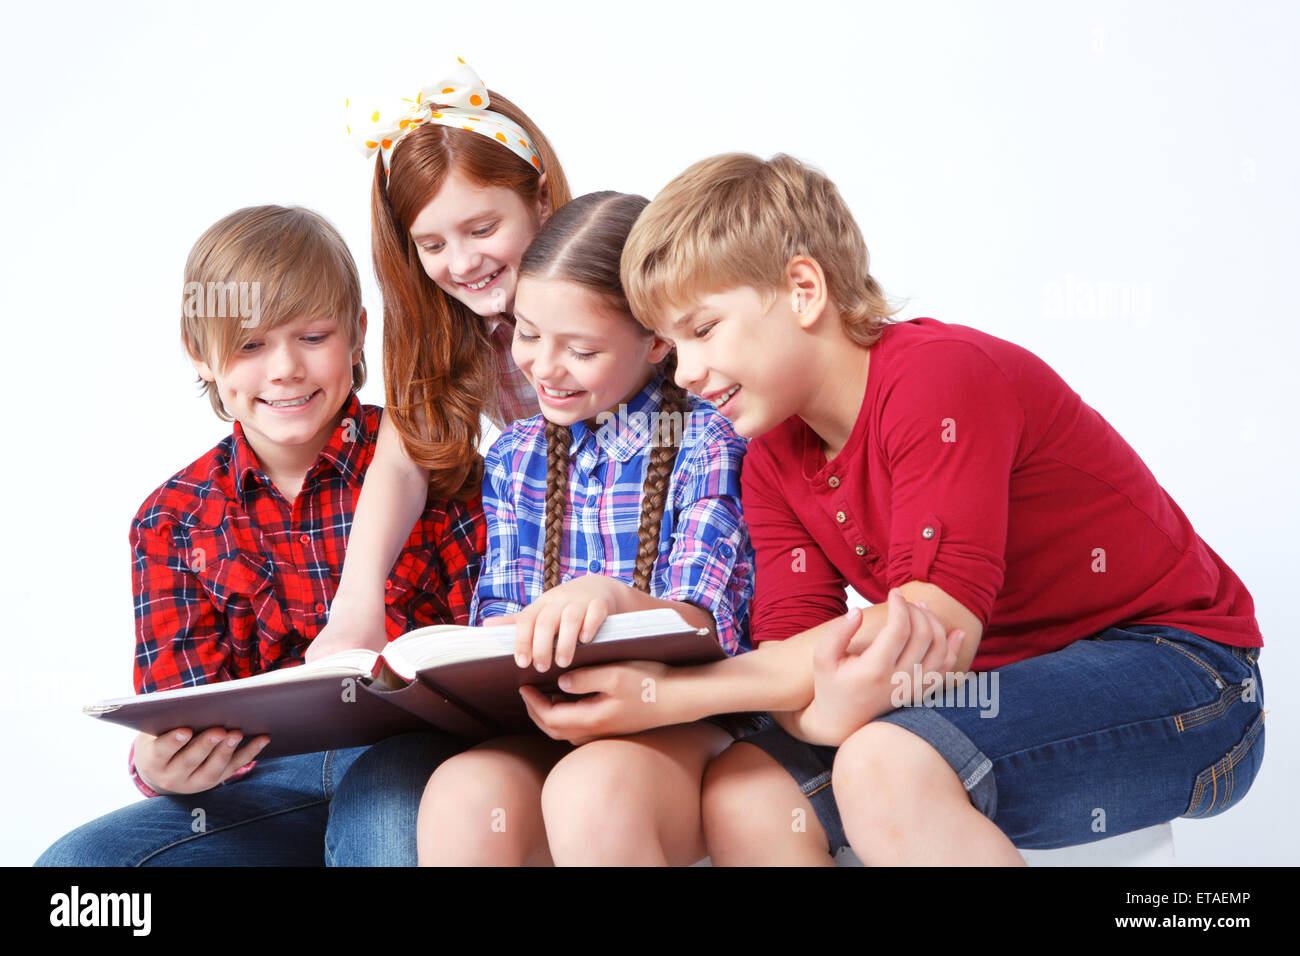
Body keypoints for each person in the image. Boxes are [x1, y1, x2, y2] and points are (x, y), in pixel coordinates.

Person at [520, 151, 1265, 865]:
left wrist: (667, 695)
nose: (688, 371)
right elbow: (797, 659)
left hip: (1184, 674)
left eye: (704, 329)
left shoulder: (938, 379)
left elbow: (931, 627)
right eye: (672, 345)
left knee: (885, 763)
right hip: (983, 688)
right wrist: (824, 710)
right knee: (746, 792)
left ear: (804, 291)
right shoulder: (773, 452)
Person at [35, 205, 482, 866]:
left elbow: (484, 647)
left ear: (358, 335)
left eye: (313, 336)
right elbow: (177, 705)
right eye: (250, 345)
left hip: (411, 763)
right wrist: (161, 767)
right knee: (79, 868)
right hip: (263, 787)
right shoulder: (171, 518)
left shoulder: (431, 461)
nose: (285, 370)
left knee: (385, 823)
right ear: (201, 354)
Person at [416, 192, 756, 866]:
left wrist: (614, 599)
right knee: (460, 791)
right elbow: (501, 614)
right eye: (530, 334)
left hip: (682, 721)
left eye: (581, 349)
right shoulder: (514, 458)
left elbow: (710, 624)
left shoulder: (708, 440)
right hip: (552, 723)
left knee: (591, 788)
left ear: (656, 340)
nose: (542, 367)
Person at [313, 61, 571, 662]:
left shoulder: (621, 285)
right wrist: (356, 607)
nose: (460, 264)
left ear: (541, 198)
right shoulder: (461, 328)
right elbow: (403, 464)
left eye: (482, 228)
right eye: (432, 245)